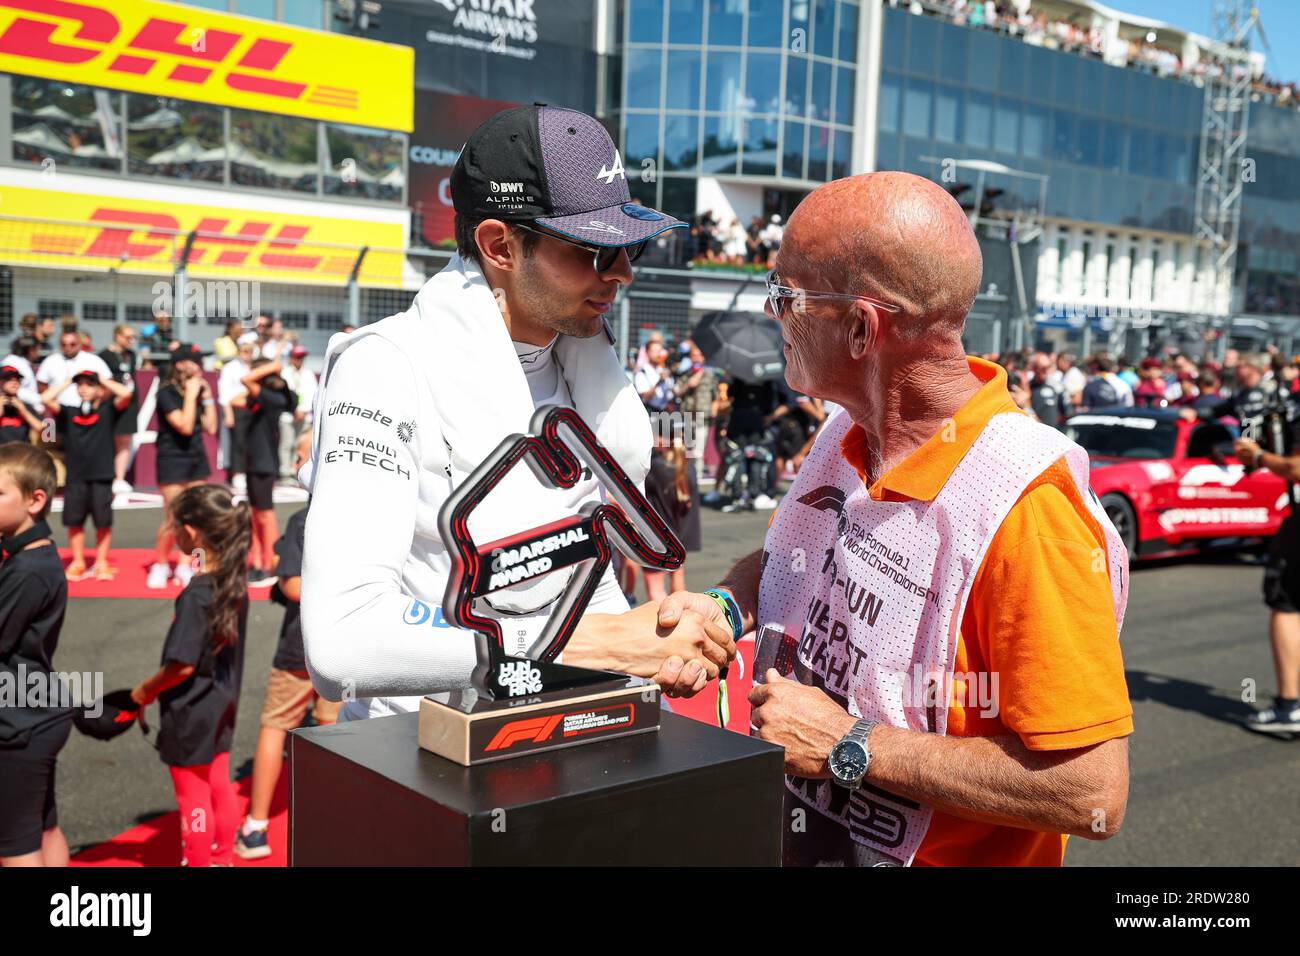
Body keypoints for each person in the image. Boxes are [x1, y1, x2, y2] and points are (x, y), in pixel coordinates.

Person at [659, 171, 1131, 866]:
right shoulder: (848, 430)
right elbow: (807, 560)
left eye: (785, 294)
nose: (770, 311)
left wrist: (848, 744)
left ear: (860, 328)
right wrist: (727, 606)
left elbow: (1090, 790)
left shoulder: (1028, 509)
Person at [300, 104, 736, 721]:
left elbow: (580, 583)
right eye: (594, 248)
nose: (622, 273)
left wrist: (654, 640)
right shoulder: (384, 366)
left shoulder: (583, 367)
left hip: (563, 737)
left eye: (629, 246)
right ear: (499, 245)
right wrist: (604, 645)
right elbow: (343, 643)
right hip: (420, 750)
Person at [131, 485, 250, 867]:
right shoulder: (233, 583)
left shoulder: (198, 594)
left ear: (192, 532)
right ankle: (222, 857)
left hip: (192, 709)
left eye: (174, 525)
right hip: (221, 702)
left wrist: (143, 691)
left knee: (192, 797)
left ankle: (198, 860)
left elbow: (181, 664)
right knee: (218, 781)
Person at [236, 431, 337, 859]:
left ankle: (256, 825)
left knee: (276, 724)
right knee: (335, 732)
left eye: (301, 457)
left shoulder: (304, 520)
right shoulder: (360, 517)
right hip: (343, 645)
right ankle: (335, 815)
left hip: (303, 645)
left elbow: (292, 586)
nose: (297, 465)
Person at [0, 444, 72, 867]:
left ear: (35, 500)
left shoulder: (27, 570)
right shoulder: (33, 555)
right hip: (36, 712)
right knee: (44, 828)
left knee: (15, 847)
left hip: (18, 724)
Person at [39, 370, 132, 581]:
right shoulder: (70, 412)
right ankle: (78, 561)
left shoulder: (108, 409)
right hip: (76, 476)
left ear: (99, 389)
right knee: (75, 522)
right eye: (80, 385)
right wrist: (68, 381)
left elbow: (126, 394)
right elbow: (45, 398)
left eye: (89, 384)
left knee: (103, 522)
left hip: (102, 475)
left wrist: (102, 380)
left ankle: (101, 562)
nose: (84, 388)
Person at [146, 345, 217, 590]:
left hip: (196, 458)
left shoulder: (196, 391)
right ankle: (161, 564)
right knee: (173, 517)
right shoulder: (166, 392)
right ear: (180, 365)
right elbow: (184, 426)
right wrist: (191, 394)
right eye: (194, 361)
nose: (199, 366)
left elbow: (211, 427)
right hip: (172, 458)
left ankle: (186, 564)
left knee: (197, 517)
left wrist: (207, 396)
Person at [230, 358, 296, 586]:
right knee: (255, 514)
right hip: (254, 462)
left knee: (266, 515)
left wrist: (270, 367)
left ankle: (273, 564)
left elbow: (245, 379)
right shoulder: (260, 397)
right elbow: (235, 400)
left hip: (264, 463)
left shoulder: (274, 398)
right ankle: (259, 562)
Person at [98, 324, 139, 495]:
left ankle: (120, 478)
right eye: (127, 337)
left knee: (125, 439)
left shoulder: (131, 355)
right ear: (117, 335)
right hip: (111, 401)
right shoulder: (104, 355)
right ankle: (106, 476)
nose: (131, 341)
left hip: (129, 402)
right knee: (106, 440)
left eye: (132, 337)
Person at [218, 334, 257, 492]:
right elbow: (224, 393)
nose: (247, 353)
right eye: (244, 350)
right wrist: (228, 413)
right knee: (239, 442)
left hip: (255, 409)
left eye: (250, 350)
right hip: (238, 410)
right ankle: (238, 474)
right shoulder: (230, 368)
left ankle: (251, 472)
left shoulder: (257, 365)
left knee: (253, 442)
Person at [36, 331, 111, 409]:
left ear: (80, 344)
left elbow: (108, 385)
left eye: (72, 344)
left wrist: (99, 403)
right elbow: (41, 386)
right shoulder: (50, 361)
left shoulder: (93, 360)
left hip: (88, 410)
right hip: (59, 410)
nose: (68, 348)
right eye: (64, 344)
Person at [280, 345, 315, 479]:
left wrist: (303, 410)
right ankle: (284, 470)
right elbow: (284, 395)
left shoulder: (308, 373)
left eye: (301, 357)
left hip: (304, 416)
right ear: (291, 358)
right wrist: (295, 410)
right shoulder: (285, 372)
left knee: (299, 444)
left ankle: (295, 470)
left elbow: (312, 394)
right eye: (297, 357)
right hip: (288, 415)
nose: (299, 360)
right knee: (287, 443)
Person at [0, 364, 44, 446]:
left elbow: (43, 430)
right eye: (9, 379)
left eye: (17, 380)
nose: (14, 383)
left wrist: (23, 411)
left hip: (22, 452)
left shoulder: (25, 406)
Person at [1029, 352, 1071, 427]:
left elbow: (1068, 412)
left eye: (1048, 367)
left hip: (1055, 430)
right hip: (1034, 430)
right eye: (1042, 368)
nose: (1046, 371)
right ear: (1034, 368)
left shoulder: (1057, 387)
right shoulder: (1027, 387)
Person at [2, 337, 44, 409]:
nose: (38, 354)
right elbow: (11, 388)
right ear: (31, 350)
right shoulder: (12, 362)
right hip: (14, 408)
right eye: (37, 350)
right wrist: (38, 400)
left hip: (25, 407)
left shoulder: (22, 363)